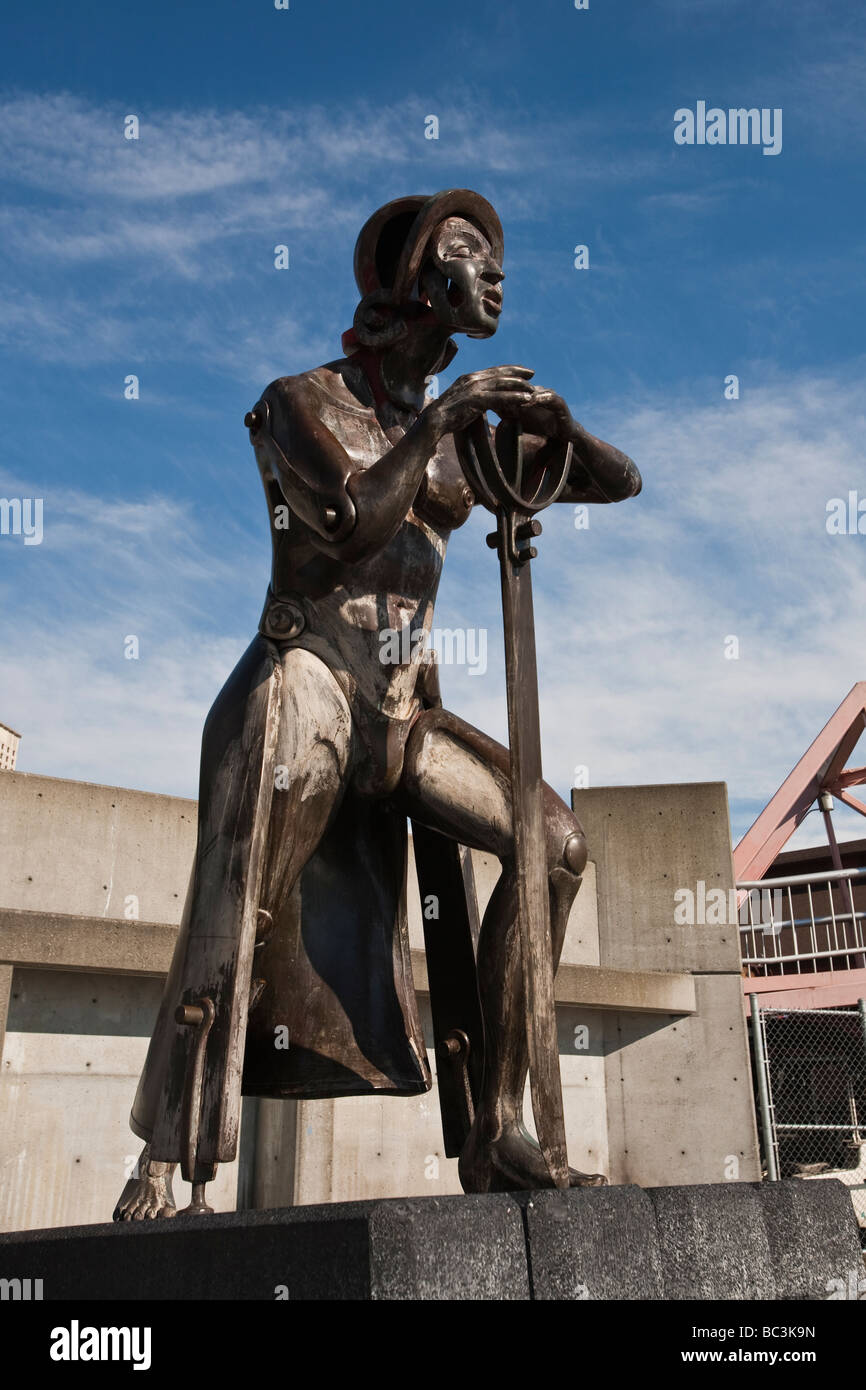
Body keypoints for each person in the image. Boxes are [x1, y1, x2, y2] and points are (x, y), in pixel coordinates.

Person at [115, 190, 641, 1219]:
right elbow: (344, 521)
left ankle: (498, 1133)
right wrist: (448, 415)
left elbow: (617, 483)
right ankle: (165, 1162)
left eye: (494, 260)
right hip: (303, 684)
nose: (493, 274)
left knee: (553, 850)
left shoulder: (458, 443)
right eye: (466, 256)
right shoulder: (300, 402)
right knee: (233, 904)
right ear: (413, 283)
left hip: (399, 712)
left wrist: (556, 427)